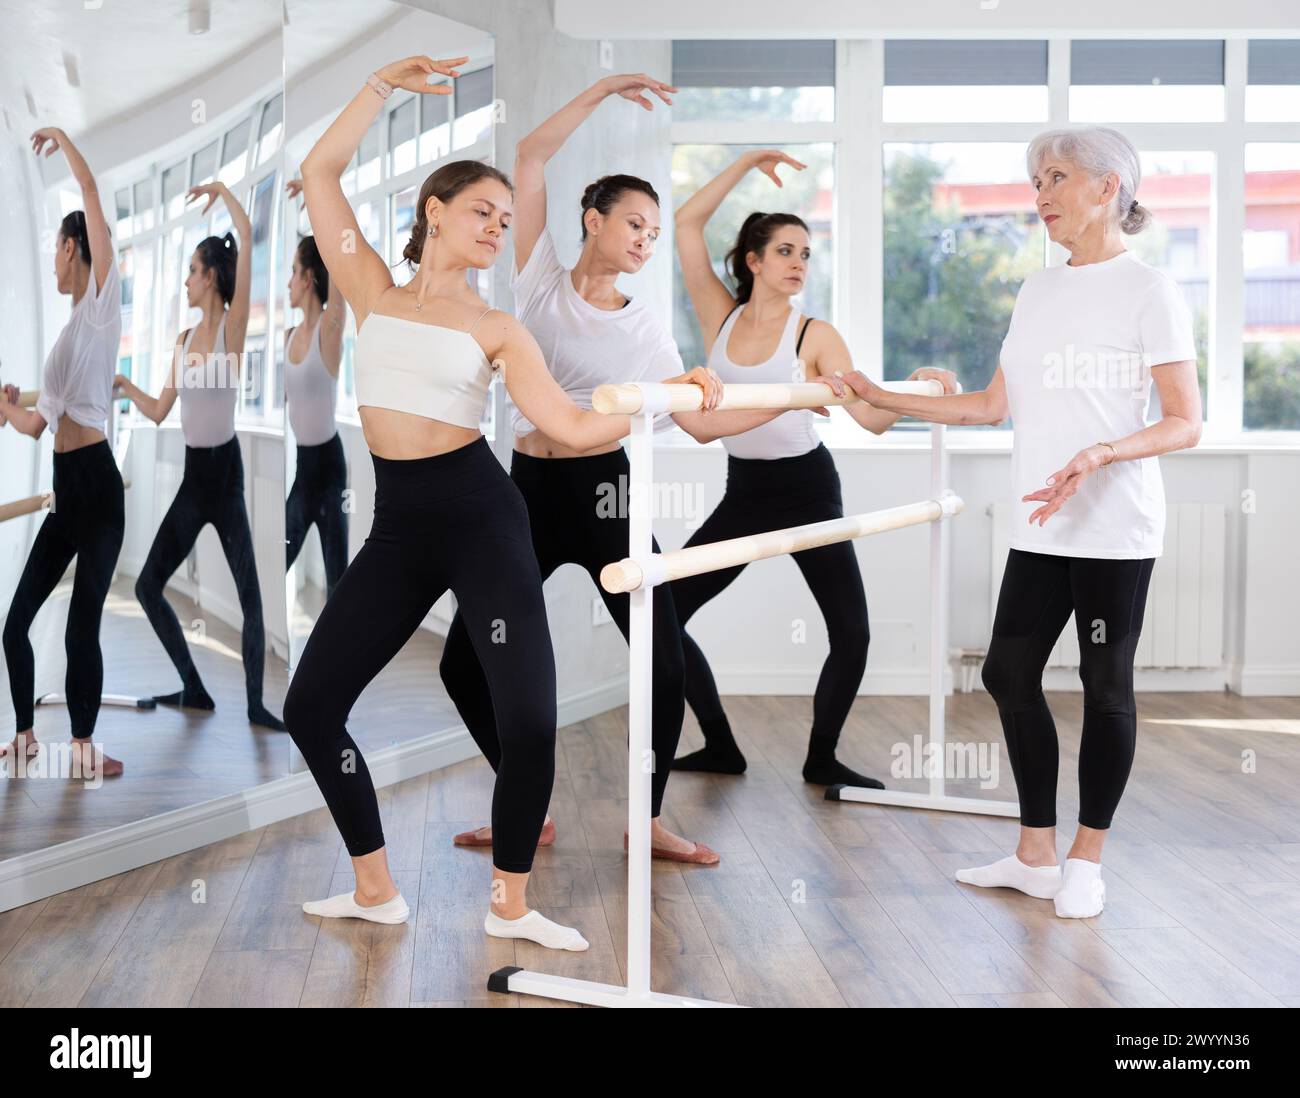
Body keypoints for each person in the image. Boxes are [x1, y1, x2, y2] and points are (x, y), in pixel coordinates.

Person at [287, 56, 734, 945]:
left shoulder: (501, 327)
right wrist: (379, 87)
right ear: (433, 213)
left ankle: (511, 906)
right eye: (481, 212)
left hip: (486, 518)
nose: (497, 226)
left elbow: (568, 427)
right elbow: (318, 175)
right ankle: (375, 886)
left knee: (529, 719)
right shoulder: (371, 291)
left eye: (505, 215)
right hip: (400, 527)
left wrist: (666, 396)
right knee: (310, 707)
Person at [439, 75, 844, 863]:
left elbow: (699, 424)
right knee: (463, 661)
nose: (644, 240)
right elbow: (527, 158)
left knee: (659, 652)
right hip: (523, 491)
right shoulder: (539, 281)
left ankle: (650, 817)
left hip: (605, 493)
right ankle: (524, 802)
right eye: (633, 223)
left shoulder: (647, 330)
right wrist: (603, 89)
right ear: (593, 221)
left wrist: (788, 401)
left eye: (655, 232)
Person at [840, 127, 1201, 919]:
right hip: (1042, 526)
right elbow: (991, 407)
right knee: (1008, 673)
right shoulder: (1037, 291)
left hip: (1113, 528)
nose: (1040, 195)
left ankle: (1087, 859)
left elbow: (1185, 422)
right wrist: (882, 396)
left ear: (1109, 189)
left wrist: (1100, 454)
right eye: (1036, 180)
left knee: (1106, 687)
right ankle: (1036, 850)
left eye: (1057, 178)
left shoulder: (1152, 290)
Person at [670, 148, 956, 787]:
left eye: (805, 253)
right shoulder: (720, 315)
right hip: (744, 494)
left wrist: (918, 387)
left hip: (806, 490)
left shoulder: (814, 335)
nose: (799, 263)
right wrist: (745, 162)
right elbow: (688, 225)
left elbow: (871, 419)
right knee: (663, 613)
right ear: (753, 260)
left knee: (851, 633)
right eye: (785, 251)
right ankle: (720, 744)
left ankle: (821, 756)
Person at [114, 181, 284, 731]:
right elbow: (162, 409)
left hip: (226, 474)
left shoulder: (232, 330)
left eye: (191, 270)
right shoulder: (183, 338)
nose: (185, 280)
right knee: (147, 586)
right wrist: (124, 383)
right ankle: (194, 686)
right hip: (193, 478)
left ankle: (257, 705)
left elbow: (251, 237)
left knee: (251, 600)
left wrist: (222, 192)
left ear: (210, 276)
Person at [0, 125, 125, 778]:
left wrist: (67, 142)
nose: (52, 261)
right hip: (63, 491)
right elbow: (34, 425)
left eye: (56, 249)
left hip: (100, 492)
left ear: (74, 248)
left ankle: (82, 750)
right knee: (13, 623)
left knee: (81, 626)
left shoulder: (102, 307)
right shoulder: (63, 342)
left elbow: (91, 193)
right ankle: (24, 736)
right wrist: (4, 407)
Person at [283, 224, 348, 599]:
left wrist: (318, 209)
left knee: (336, 580)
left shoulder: (329, 328)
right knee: (280, 558)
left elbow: (337, 287)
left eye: (294, 271)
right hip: (303, 469)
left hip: (330, 470)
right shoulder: (289, 336)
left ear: (308, 278)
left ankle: (345, 657)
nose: (289, 280)